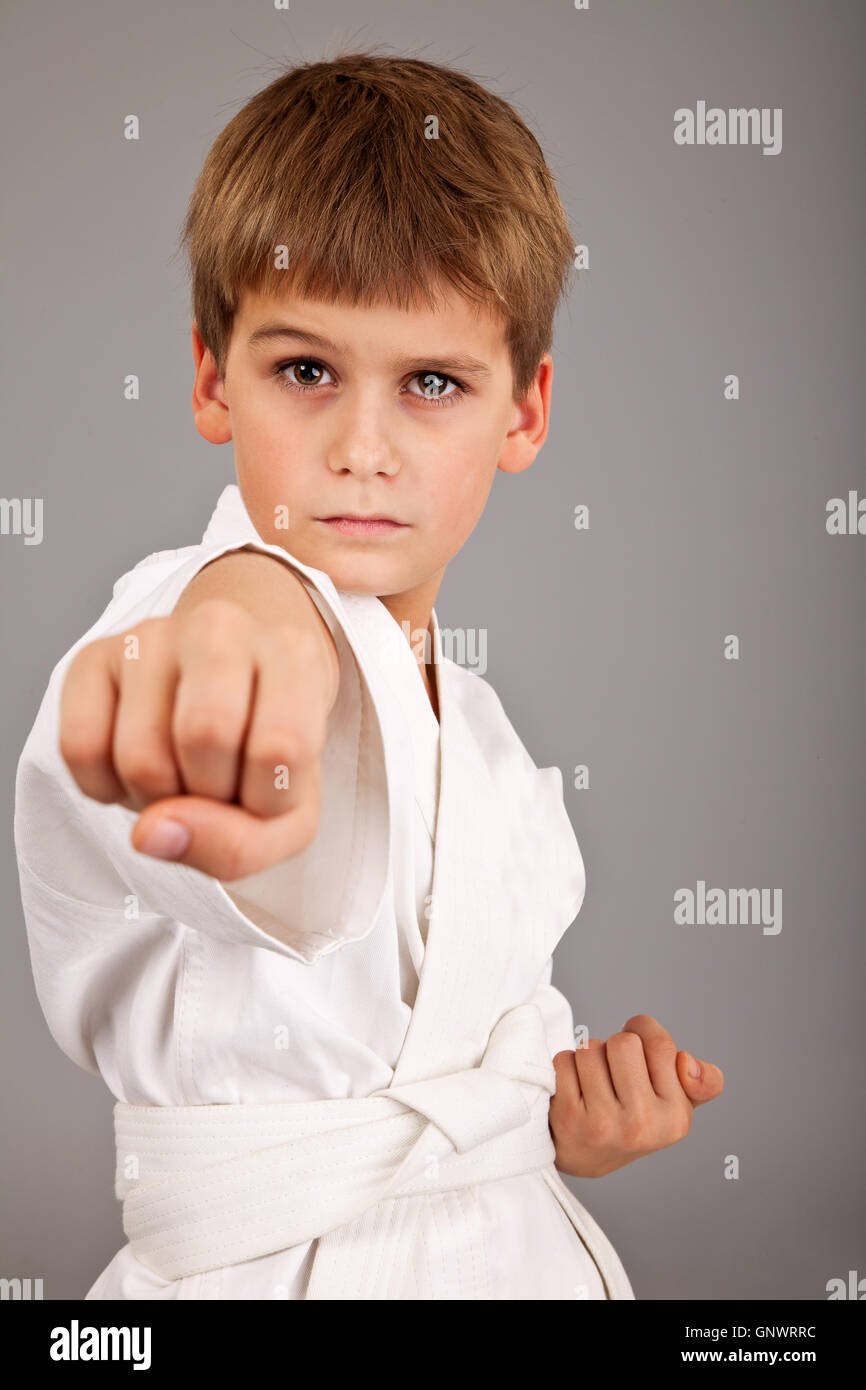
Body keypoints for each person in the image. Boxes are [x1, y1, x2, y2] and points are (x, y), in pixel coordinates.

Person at [14, 51, 723, 1300]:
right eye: (305, 371)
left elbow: (451, 1049)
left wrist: (561, 1115)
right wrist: (241, 644)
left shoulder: (489, 735)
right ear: (209, 378)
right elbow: (246, 629)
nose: (360, 450)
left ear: (523, 412)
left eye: (432, 384)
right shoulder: (193, 620)